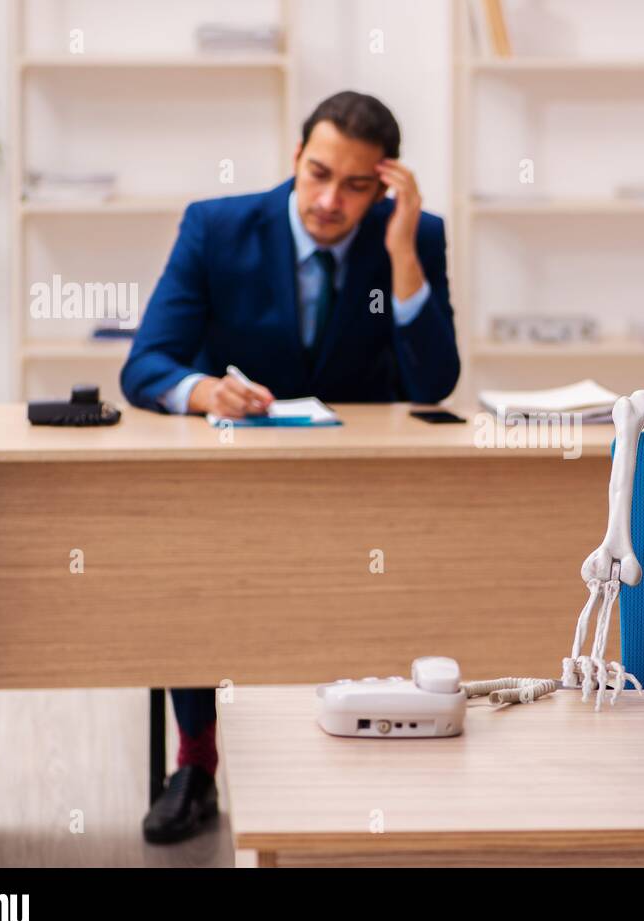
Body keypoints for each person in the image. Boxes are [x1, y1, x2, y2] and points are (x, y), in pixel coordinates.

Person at [121, 90, 460, 843]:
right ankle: (197, 762)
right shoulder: (217, 227)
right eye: (317, 174)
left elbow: (432, 382)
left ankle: (357, 744)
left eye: (356, 185)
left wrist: (403, 251)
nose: (330, 200)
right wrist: (205, 389)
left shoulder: (414, 236)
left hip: (358, 483)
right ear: (296, 157)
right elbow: (145, 364)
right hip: (233, 477)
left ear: (387, 185)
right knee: (194, 566)